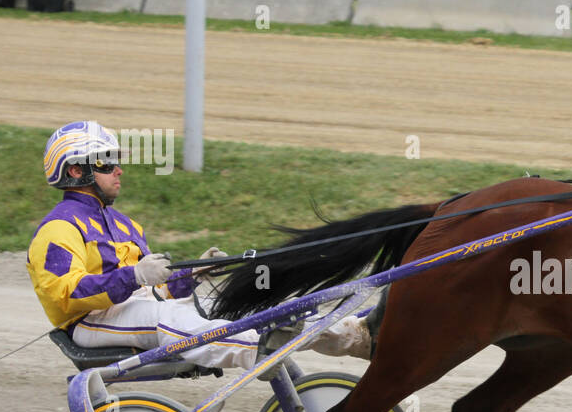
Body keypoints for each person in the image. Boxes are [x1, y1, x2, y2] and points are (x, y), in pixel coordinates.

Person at [27, 121, 371, 371]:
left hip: (138, 309)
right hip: (89, 323)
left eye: (116, 160)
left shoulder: (125, 225)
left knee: (243, 303)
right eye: (105, 162)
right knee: (167, 317)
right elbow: (65, 294)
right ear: (76, 171)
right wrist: (134, 276)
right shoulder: (58, 229)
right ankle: (257, 350)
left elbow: (156, 290)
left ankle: (357, 336)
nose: (119, 170)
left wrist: (192, 275)